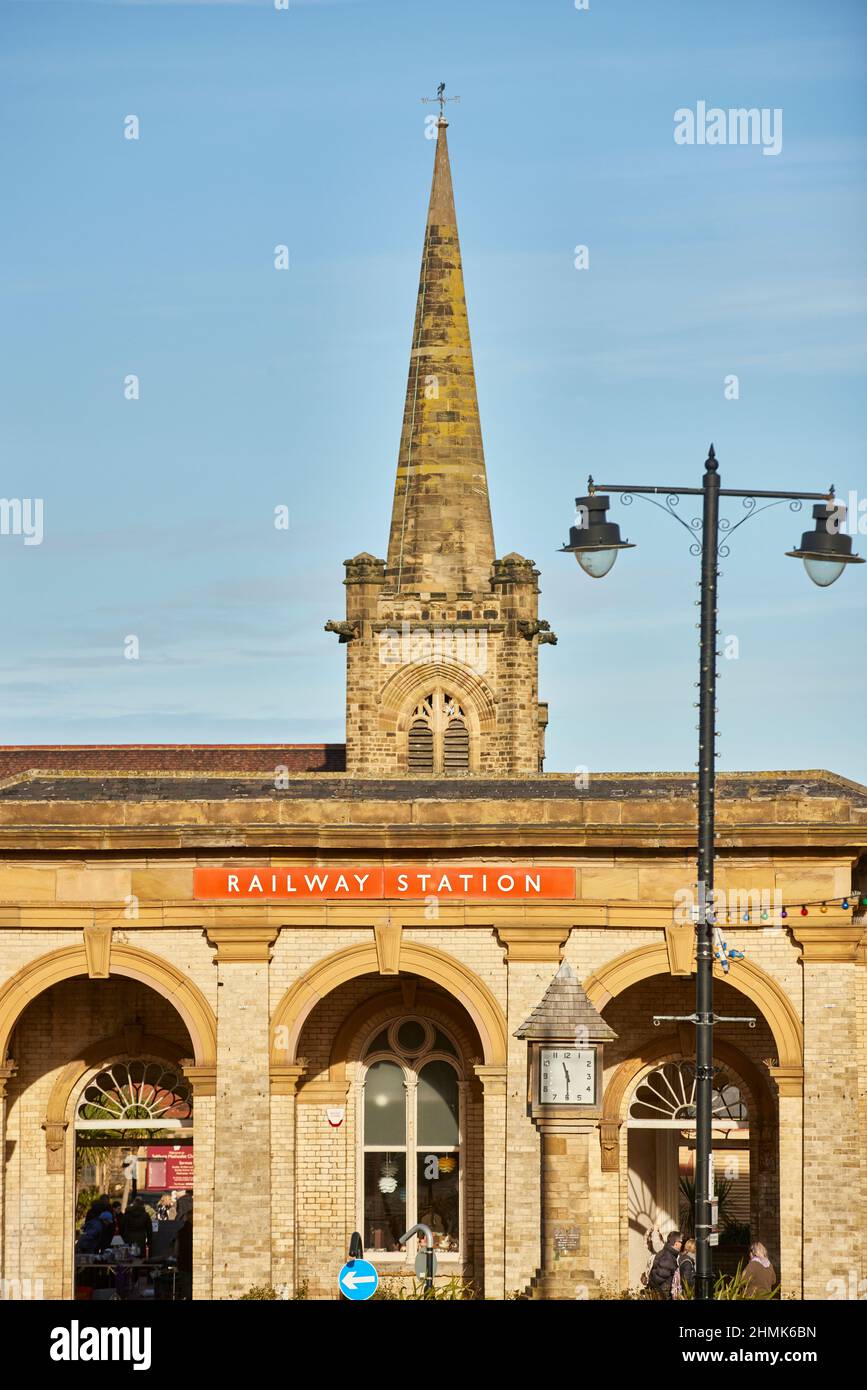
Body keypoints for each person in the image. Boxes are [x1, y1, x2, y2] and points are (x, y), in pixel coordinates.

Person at [648, 1230, 683, 1298]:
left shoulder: (667, 1253)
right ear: (676, 1243)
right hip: (663, 1294)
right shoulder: (668, 1257)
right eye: (681, 1242)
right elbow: (658, 1278)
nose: (682, 1244)